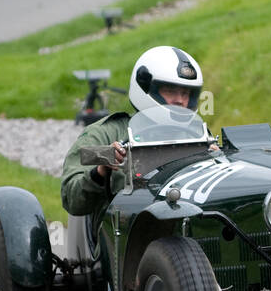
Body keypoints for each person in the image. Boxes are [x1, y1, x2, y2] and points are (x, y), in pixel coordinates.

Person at [62, 46, 204, 224]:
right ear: (146, 88)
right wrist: (100, 171)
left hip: (187, 231)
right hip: (121, 237)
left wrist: (216, 159)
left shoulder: (198, 134)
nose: (180, 101)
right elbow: (71, 199)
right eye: (170, 91)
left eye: (185, 93)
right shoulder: (105, 133)